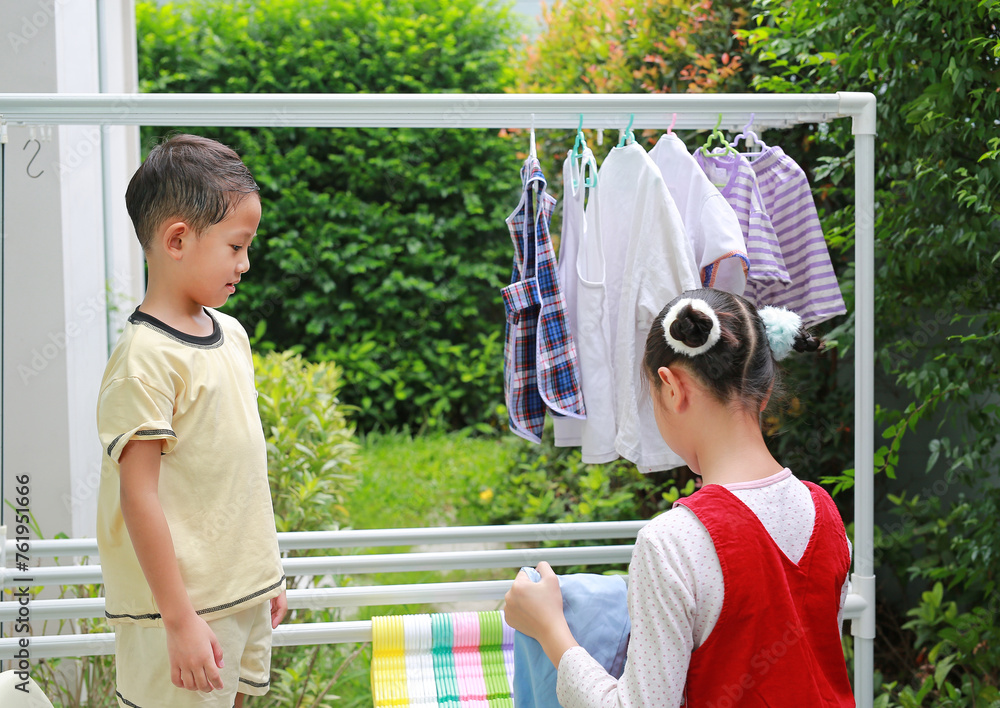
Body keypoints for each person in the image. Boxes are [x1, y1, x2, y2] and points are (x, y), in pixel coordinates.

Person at [504, 288, 855, 707]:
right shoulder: (825, 513)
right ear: (765, 388)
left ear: (671, 387)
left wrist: (550, 629)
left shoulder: (675, 541)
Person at [96, 134, 286, 708]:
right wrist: (179, 622)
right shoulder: (143, 362)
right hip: (178, 611)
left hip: (240, 595)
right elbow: (139, 498)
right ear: (178, 239)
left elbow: (239, 466)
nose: (245, 264)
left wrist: (266, 570)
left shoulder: (231, 335)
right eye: (236, 246)